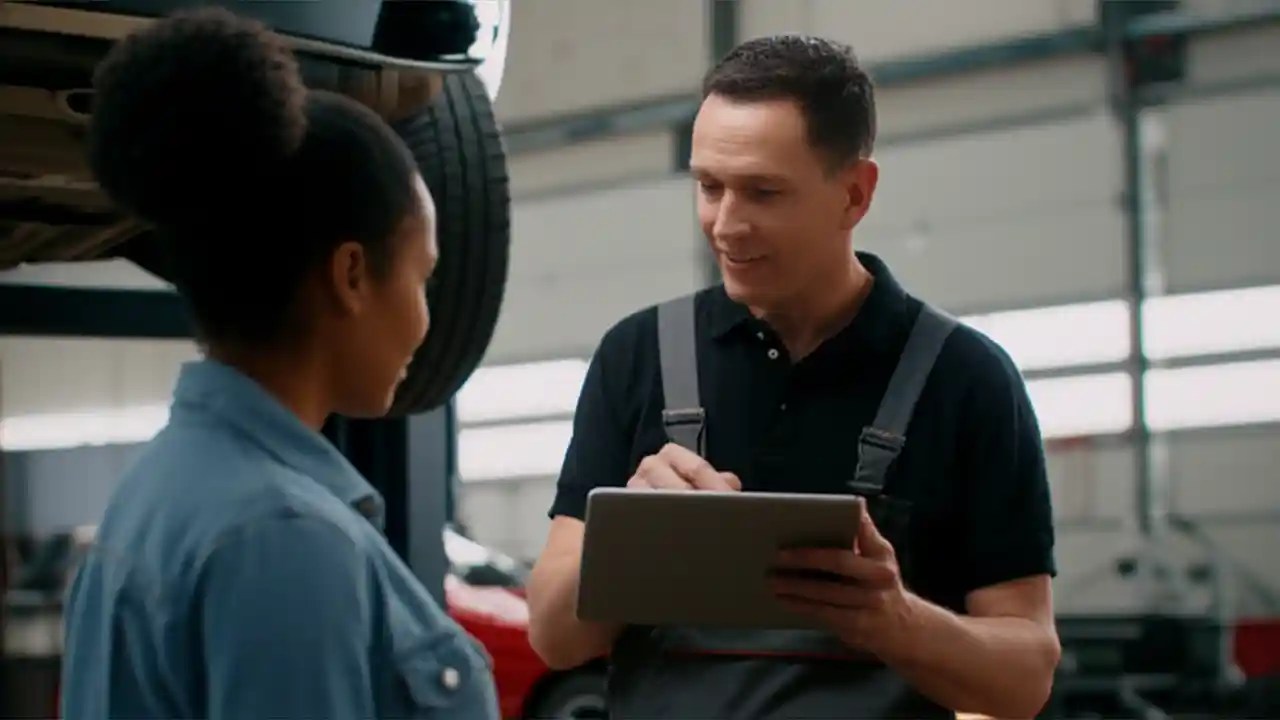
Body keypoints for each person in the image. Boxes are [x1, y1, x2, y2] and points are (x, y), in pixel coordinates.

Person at [526, 34, 1061, 719]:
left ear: (855, 194)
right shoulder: (637, 358)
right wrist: (638, 544)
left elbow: (1025, 679)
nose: (726, 225)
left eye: (764, 192)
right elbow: (552, 636)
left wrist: (895, 619)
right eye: (709, 186)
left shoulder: (967, 381)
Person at [59, 8, 499, 719]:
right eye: (422, 278)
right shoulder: (285, 538)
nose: (425, 319)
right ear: (351, 275)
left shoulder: (155, 497)